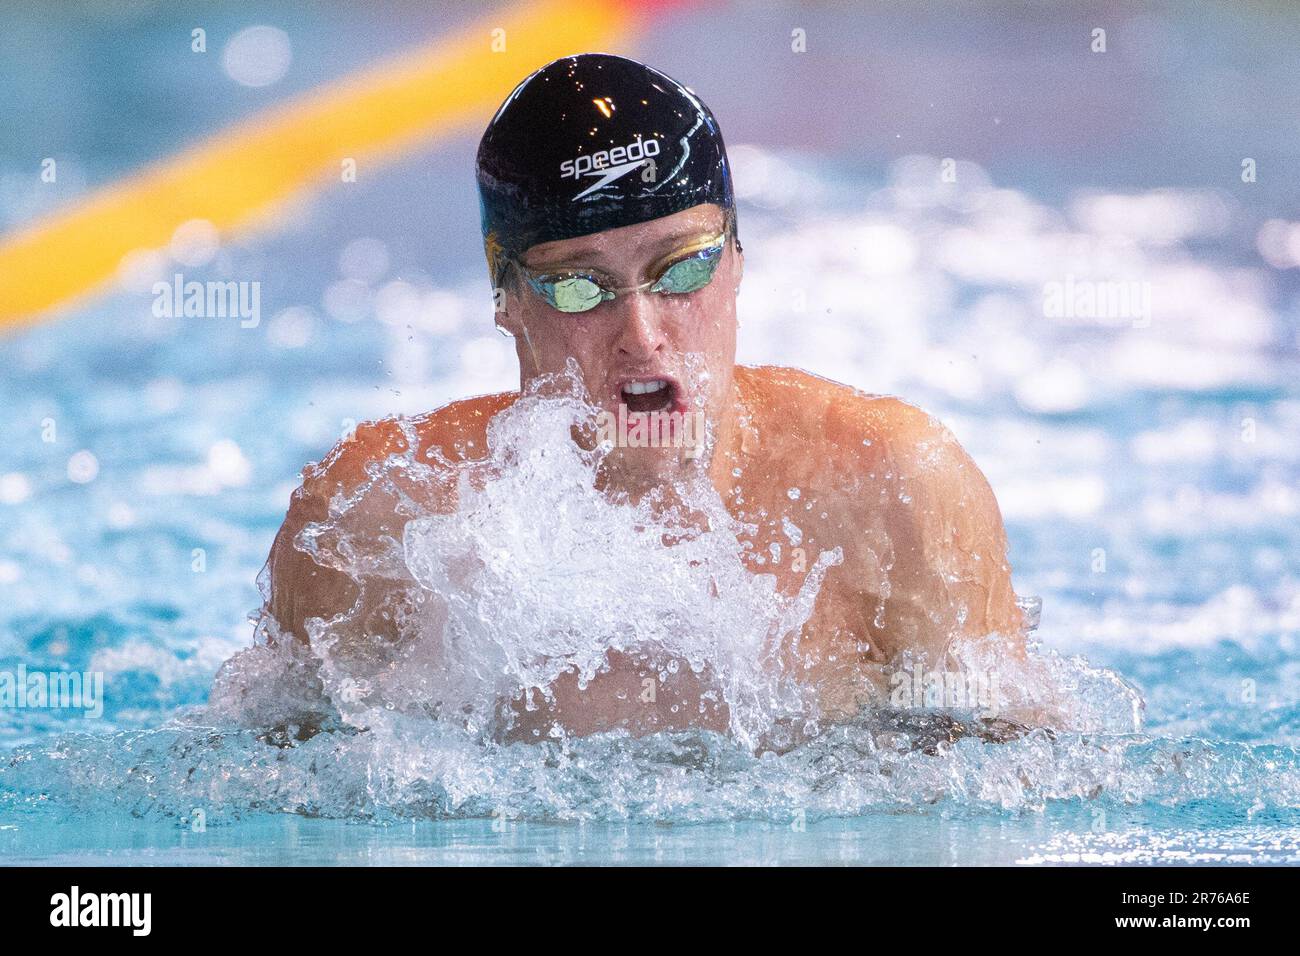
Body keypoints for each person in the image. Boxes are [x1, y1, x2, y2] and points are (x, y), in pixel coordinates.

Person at [263, 53, 1030, 739]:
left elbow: (1016, 780)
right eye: (577, 285)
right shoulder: (376, 519)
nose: (641, 332)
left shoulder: (892, 489)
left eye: (683, 270)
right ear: (506, 298)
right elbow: (264, 786)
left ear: (736, 259)